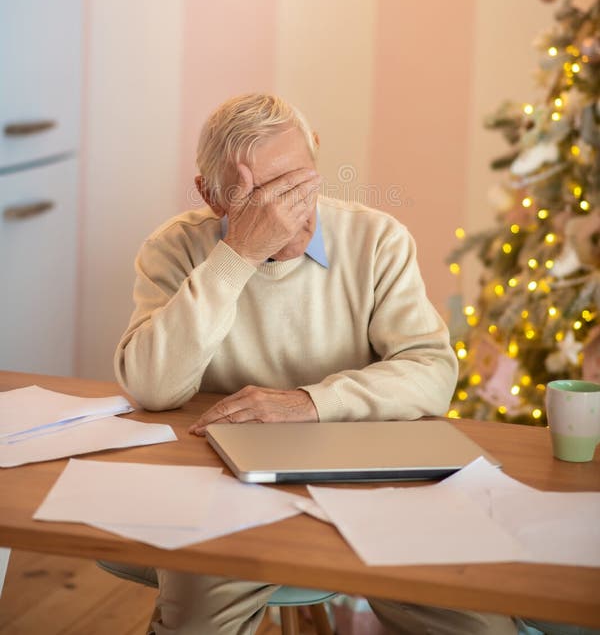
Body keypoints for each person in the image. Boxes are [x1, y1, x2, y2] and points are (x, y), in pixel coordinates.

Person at [114, 93, 517, 635]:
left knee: (475, 624)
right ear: (211, 196)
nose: (287, 213)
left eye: (298, 184)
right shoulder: (173, 250)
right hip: (229, 495)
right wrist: (237, 258)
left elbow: (431, 371)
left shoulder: (377, 240)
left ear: (319, 160)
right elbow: (151, 387)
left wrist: (309, 402)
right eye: (259, 195)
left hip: (372, 485)